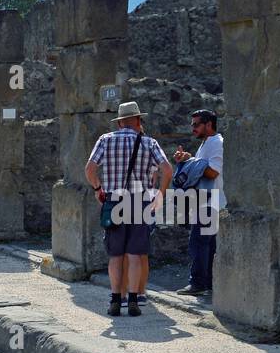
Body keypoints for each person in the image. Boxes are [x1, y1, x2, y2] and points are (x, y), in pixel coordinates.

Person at [85, 101, 172, 318]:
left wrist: (98, 188)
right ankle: (133, 300)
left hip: (114, 201)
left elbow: (90, 169)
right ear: (137, 120)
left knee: (116, 255)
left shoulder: (105, 140)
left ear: (121, 121)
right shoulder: (149, 143)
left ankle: (116, 300)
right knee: (135, 254)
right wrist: (161, 192)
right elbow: (166, 169)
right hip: (140, 201)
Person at [172, 109, 224, 296]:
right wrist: (189, 160)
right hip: (206, 200)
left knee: (198, 243)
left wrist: (193, 163)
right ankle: (207, 283)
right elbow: (202, 168)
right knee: (207, 244)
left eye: (196, 124)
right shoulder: (206, 143)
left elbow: (213, 172)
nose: (192, 128)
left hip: (210, 200)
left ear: (208, 124)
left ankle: (198, 284)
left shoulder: (216, 143)